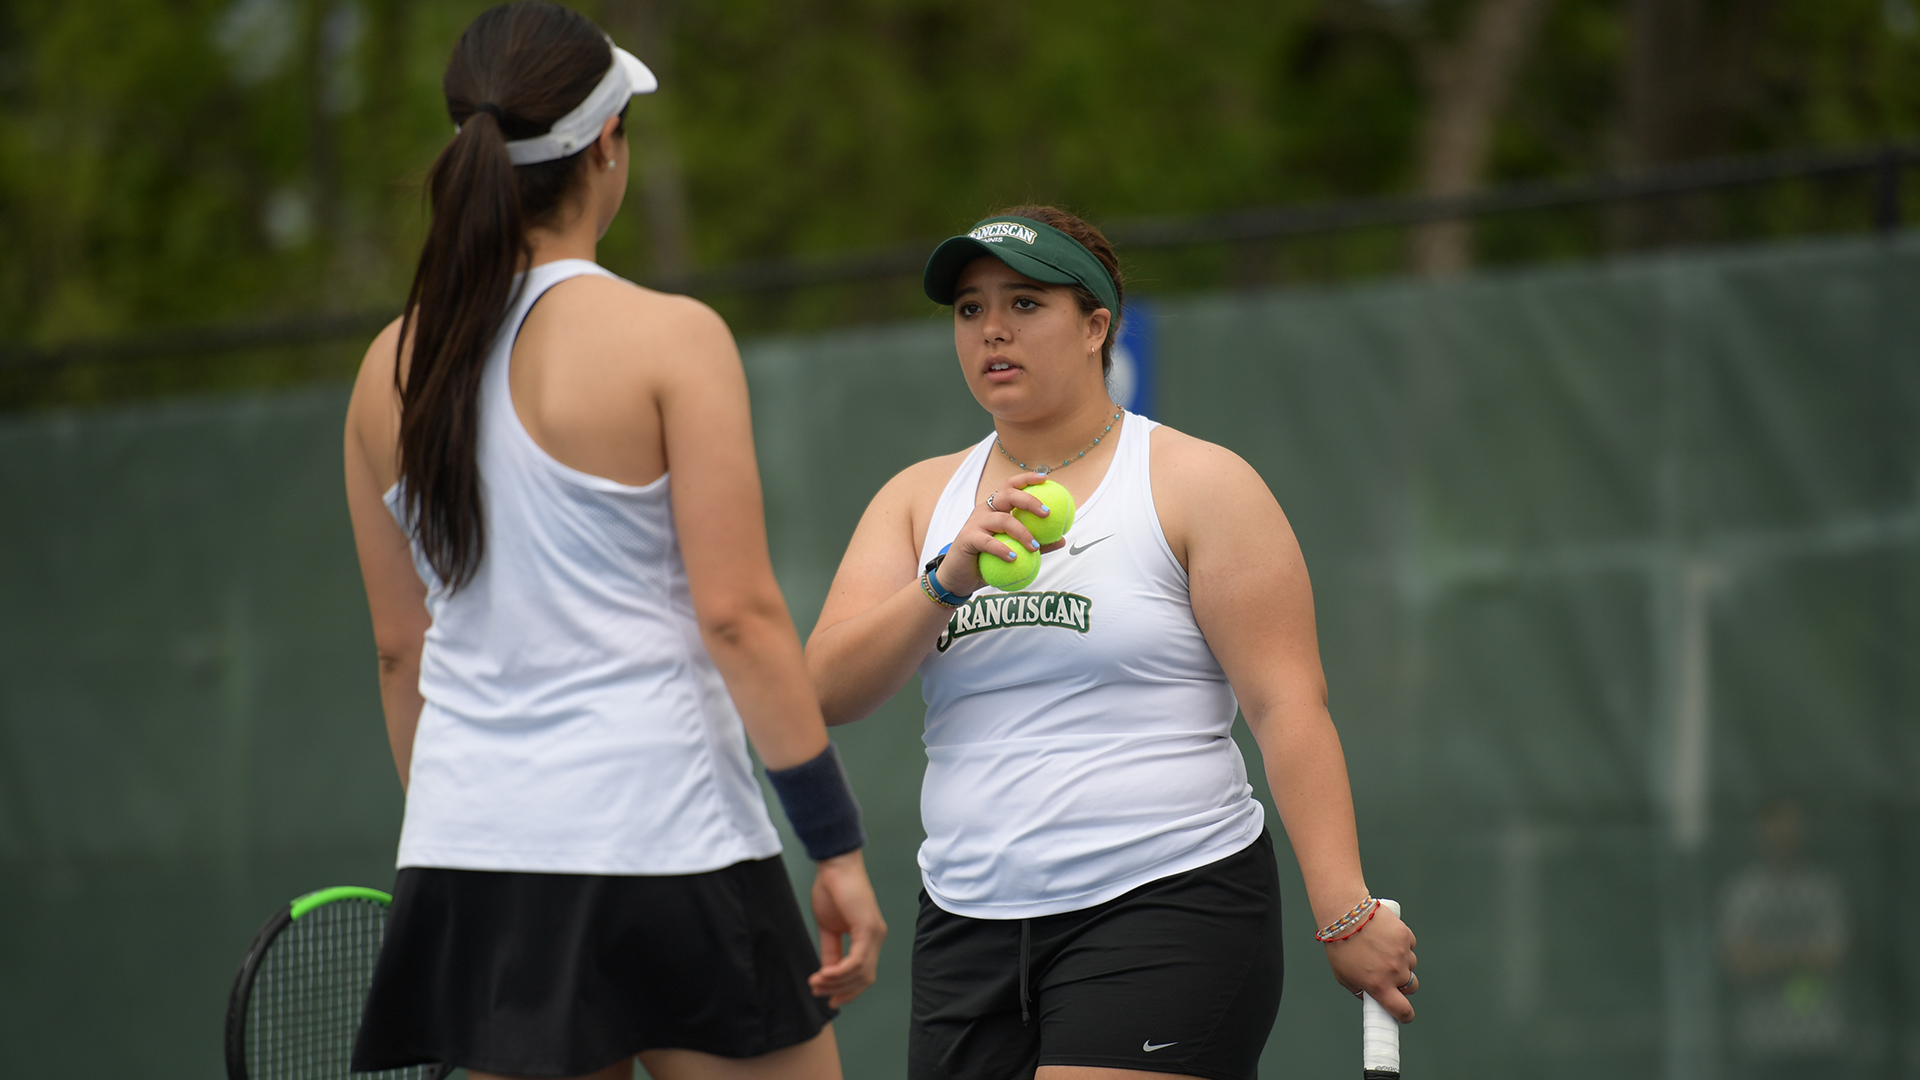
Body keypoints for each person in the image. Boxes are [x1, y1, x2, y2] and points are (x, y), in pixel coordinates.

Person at [340, 5, 884, 1079]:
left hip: (472, 854)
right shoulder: (673, 339)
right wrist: (837, 845)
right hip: (665, 838)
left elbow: (401, 653)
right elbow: (739, 617)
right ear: (605, 146)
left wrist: (476, 842)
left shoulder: (382, 370)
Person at [804, 206, 1416, 1080]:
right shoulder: (917, 499)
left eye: (1024, 303)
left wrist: (1344, 910)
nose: (992, 330)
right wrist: (946, 579)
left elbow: (1286, 706)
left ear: (1097, 328)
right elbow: (822, 691)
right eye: (971, 309)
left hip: (1167, 902)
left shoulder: (1198, 483)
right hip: (966, 922)